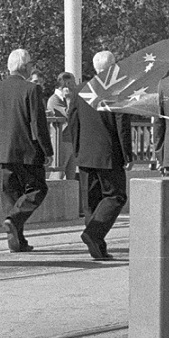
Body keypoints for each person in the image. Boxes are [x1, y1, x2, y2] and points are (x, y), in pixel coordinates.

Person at [63, 50, 134, 261]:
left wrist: (77, 150)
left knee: (91, 203)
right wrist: (127, 154)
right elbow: (122, 125)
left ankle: (97, 245)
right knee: (115, 196)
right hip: (108, 154)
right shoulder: (117, 89)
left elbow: (72, 121)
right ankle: (94, 235)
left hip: (85, 154)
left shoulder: (80, 90)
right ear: (112, 67)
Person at [0, 48, 53, 253]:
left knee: (11, 196)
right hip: (28, 152)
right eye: (31, 64)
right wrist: (47, 150)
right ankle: (13, 221)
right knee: (37, 190)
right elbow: (38, 123)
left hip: (5, 152)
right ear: (25, 67)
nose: (32, 67)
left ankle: (16, 240)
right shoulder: (32, 89)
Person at [46, 72, 78, 180]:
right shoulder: (54, 100)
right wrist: (69, 98)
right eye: (73, 82)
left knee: (71, 176)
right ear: (66, 84)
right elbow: (70, 114)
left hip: (71, 140)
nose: (75, 85)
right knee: (58, 174)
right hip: (61, 141)